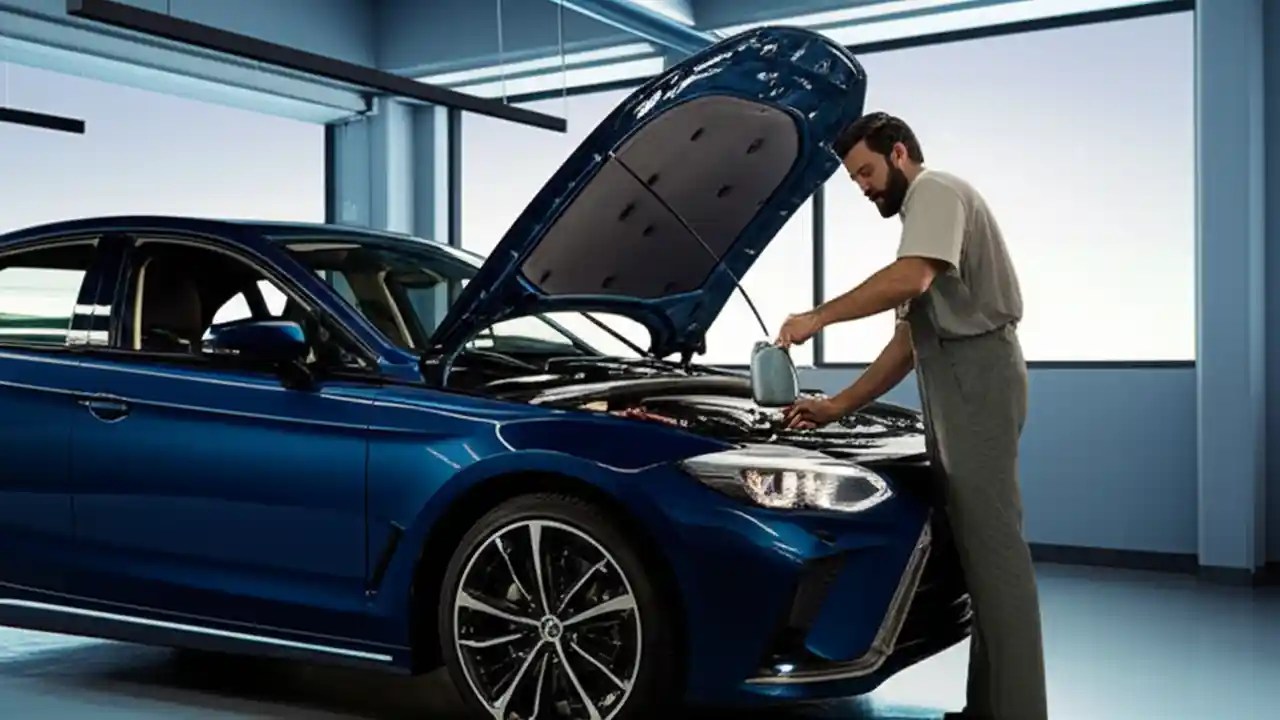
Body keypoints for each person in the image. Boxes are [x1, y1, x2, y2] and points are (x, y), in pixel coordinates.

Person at [775, 111, 1047, 720]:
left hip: (977, 376)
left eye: (866, 171)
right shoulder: (924, 215)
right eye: (853, 179)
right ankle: (992, 707)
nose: (863, 186)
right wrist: (836, 406)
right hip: (954, 376)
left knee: (996, 555)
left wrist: (818, 317)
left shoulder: (935, 192)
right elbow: (907, 342)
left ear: (899, 154)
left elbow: (909, 278)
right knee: (981, 556)